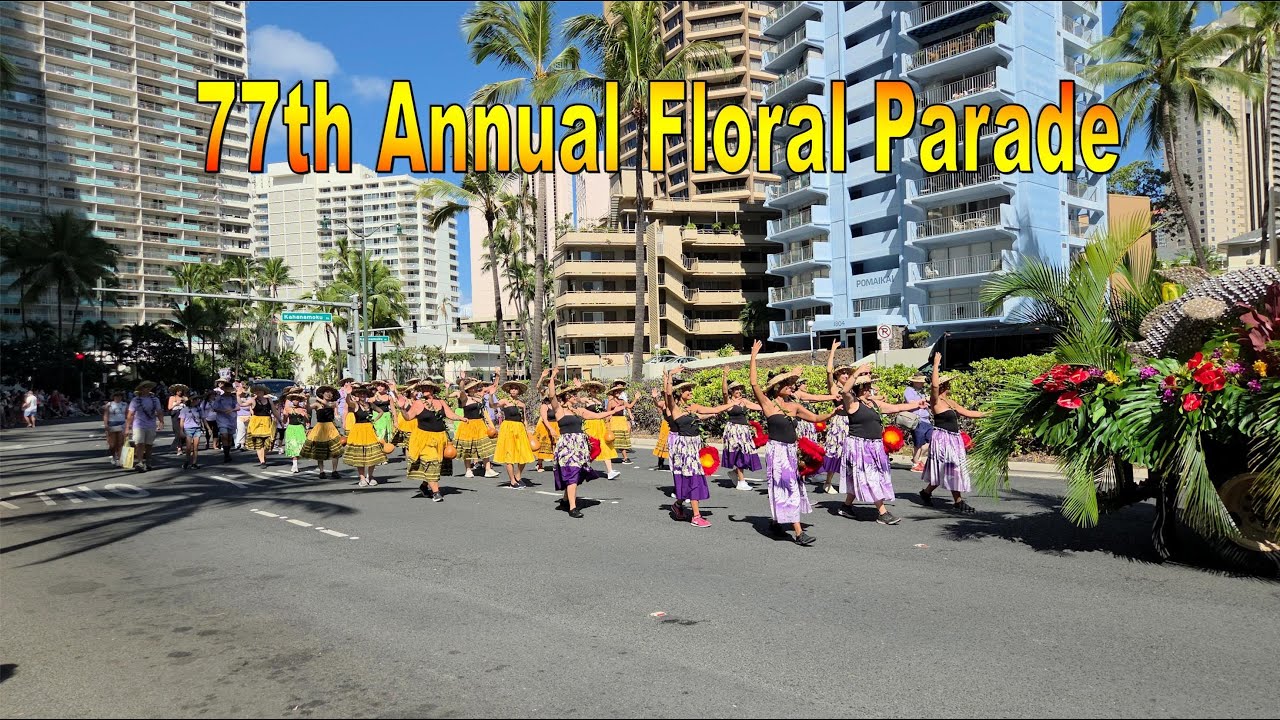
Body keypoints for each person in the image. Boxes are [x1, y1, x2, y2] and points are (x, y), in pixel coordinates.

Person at [749, 341, 836, 546]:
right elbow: (753, 383)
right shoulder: (768, 405)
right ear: (778, 387)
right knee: (787, 487)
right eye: (787, 384)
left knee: (791, 486)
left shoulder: (794, 406)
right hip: (777, 451)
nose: (791, 386)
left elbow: (815, 418)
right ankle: (798, 532)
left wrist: (831, 413)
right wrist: (754, 356)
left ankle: (777, 522)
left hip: (791, 452)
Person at [834, 367, 926, 525]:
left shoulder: (873, 404)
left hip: (874, 447)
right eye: (868, 387)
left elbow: (896, 408)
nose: (870, 389)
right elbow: (845, 390)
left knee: (862, 478)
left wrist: (917, 404)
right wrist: (856, 373)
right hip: (859, 446)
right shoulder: (852, 403)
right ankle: (882, 512)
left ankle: (846, 506)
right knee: (871, 478)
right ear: (861, 389)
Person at [545, 368, 620, 518]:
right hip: (567, 445)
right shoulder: (559, 410)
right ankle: (573, 508)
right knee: (571, 473)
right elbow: (552, 394)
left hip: (579, 446)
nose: (576, 397)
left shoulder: (578, 411)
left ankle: (566, 501)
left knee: (576, 474)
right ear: (566, 396)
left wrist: (613, 411)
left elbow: (596, 415)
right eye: (573, 395)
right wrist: (552, 377)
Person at [664, 367, 733, 528]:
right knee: (693, 479)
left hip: (695, 447)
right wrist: (670, 376)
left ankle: (678, 505)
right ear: (680, 392)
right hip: (684, 449)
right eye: (687, 390)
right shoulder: (674, 408)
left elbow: (714, 410)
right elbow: (668, 394)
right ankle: (696, 516)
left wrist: (730, 405)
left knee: (692, 479)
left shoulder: (693, 408)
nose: (690, 392)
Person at [919, 352, 988, 513]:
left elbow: (968, 412)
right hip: (943, 439)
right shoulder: (935, 401)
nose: (950, 386)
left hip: (953, 439)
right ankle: (958, 501)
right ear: (943, 386)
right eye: (948, 384)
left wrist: (989, 414)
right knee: (952, 468)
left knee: (946, 468)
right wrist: (936, 364)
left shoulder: (950, 402)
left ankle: (926, 492)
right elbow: (934, 386)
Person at [401, 379, 462, 502]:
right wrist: (402, 408)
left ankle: (424, 486)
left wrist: (461, 418)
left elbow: (450, 414)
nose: (425, 390)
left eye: (428, 388)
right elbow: (408, 417)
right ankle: (436, 492)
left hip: (440, 437)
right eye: (423, 388)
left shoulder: (440, 402)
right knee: (431, 462)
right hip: (424, 438)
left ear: (433, 390)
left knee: (435, 465)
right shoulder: (418, 403)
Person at [819, 343, 857, 495]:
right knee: (835, 452)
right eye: (842, 374)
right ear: (837, 376)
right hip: (839, 422)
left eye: (847, 373)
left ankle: (848, 482)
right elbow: (828, 371)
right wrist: (832, 350)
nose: (846, 376)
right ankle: (827, 482)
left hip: (852, 421)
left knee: (850, 453)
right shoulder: (834, 388)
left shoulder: (852, 388)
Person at [719, 369, 763, 490]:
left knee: (745, 454)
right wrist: (724, 376)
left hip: (744, 431)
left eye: (740, 389)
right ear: (731, 391)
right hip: (733, 430)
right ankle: (741, 481)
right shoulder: (728, 401)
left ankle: (736, 474)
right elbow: (723, 392)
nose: (739, 391)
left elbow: (760, 407)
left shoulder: (744, 401)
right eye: (736, 389)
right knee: (738, 454)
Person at [493, 377, 536, 489]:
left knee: (524, 454)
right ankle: (512, 481)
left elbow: (525, 419)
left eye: (516, 389)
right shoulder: (505, 401)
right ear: (509, 390)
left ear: (519, 391)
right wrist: (491, 397)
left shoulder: (522, 404)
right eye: (512, 389)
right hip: (508, 428)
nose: (513, 390)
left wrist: (528, 431)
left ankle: (518, 475)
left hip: (520, 428)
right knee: (509, 454)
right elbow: (493, 406)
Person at [454, 376, 500, 478]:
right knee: (468, 448)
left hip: (479, 424)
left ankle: (488, 469)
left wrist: (489, 424)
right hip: (468, 424)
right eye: (471, 387)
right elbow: (461, 389)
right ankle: (468, 470)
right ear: (468, 389)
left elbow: (484, 411)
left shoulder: (479, 398)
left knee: (484, 446)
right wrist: (462, 381)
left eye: (475, 387)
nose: (474, 389)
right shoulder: (464, 398)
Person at [343, 383, 388, 486]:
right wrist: (348, 394)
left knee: (372, 454)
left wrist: (374, 420)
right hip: (358, 431)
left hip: (369, 430)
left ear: (366, 395)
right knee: (360, 455)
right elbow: (348, 402)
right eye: (360, 394)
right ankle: (362, 478)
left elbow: (381, 411)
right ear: (358, 395)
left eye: (364, 394)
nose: (362, 396)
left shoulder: (370, 404)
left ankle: (371, 476)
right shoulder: (355, 404)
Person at [300, 385, 344, 478]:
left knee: (335, 450)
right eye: (326, 392)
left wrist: (338, 417)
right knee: (319, 451)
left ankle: (334, 471)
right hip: (320, 427)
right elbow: (308, 409)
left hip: (331, 427)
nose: (329, 394)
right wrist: (307, 399)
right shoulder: (317, 404)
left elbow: (330, 407)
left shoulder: (333, 403)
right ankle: (321, 471)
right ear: (322, 394)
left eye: (330, 393)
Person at [579, 380, 621, 480]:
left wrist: (608, 419)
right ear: (588, 389)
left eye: (596, 388)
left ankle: (610, 471)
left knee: (605, 446)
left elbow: (604, 412)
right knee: (591, 447)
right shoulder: (586, 399)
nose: (595, 389)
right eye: (593, 387)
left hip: (600, 424)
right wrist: (579, 387)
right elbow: (576, 399)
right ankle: (583, 467)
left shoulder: (599, 400)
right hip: (590, 424)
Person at [125, 380, 164, 472]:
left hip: (150, 424)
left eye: (149, 387)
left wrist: (161, 421)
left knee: (149, 444)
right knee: (139, 443)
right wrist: (127, 427)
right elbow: (130, 414)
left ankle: (148, 462)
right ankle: (140, 462)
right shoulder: (135, 400)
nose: (147, 389)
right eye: (145, 387)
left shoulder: (155, 400)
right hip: (138, 424)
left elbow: (159, 411)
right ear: (141, 389)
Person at [904, 374, 933, 472]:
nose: (922, 383)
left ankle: (918, 458)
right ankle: (915, 463)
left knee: (932, 439)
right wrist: (924, 400)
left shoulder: (923, 391)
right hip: (916, 419)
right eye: (920, 381)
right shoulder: (909, 390)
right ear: (915, 381)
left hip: (926, 419)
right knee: (918, 443)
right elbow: (911, 403)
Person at [244, 384, 277, 468]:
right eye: (256, 391)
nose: (258, 392)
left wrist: (280, 420)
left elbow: (274, 411)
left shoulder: (269, 400)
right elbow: (242, 404)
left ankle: (263, 456)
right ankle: (262, 462)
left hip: (267, 423)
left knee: (268, 443)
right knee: (259, 443)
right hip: (256, 423)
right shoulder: (253, 400)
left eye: (260, 391)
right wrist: (237, 395)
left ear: (263, 392)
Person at [607, 381, 638, 465]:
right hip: (613, 421)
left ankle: (625, 457)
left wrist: (635, 398)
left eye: (619, 391)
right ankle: (610, 456)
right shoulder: (611, 402)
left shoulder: (622, 401)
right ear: (613, 393)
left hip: (621, 421)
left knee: (622, 440)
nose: (617, 393)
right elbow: (608, 413)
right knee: (613, 439)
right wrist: (607, 423)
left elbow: (630, 406)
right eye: (616, 391)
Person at [281, 389, 311, 473]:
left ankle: (295, 463)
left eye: (297, 399)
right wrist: (284, 417)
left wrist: (305, 416)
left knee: (300, 447)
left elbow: (307, 420)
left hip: (300, 428)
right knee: (293, 446)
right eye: (294, 399)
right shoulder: (288, 409)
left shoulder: (302, 409)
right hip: (291, 428)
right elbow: (284, 420)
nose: (296, 401)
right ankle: (295, 465)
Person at [177, 390, 207, 470]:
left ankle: (194, 463)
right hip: (188, 429)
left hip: (197, 428)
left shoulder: (199, 409)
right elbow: (181, 421)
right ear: (192, 400)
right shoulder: (185, 409)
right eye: (196, 399)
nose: (198, 401)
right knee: (188, 447)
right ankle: (187, 460)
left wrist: (208, 428)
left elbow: (203, 419)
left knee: (196, 447)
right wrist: (181, 430)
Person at [532, 393, 558, 472]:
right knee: (543, 444)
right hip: (545, 426)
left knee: (556, 444)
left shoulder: (557, 405)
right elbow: (544, 419)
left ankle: (556, 463)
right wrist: (550, 429)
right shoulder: (544, 406)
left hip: (556, 425)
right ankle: (539, 464)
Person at [102, 391, 128, 465]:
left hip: (122, 424)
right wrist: (106, 424)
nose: (118, 397)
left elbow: (127, 415)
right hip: (112, 424)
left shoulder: (125, 404)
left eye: (120, 396)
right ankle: (114, 456)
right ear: (113, 397)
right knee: (112, 444)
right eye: (116, 396)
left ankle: (120, 459)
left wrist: (129, 425)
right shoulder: (109, 405)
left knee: (121, 443)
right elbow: (106, 415)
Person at [370, 380, 397, 446]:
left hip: (386, 417)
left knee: (386, 435)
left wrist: (396, 421)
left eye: (382, 386)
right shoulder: (373, 398)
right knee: (379, 433)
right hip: (377, 417)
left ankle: (384, 449)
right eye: (378, 386)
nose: (380, 388)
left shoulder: (389, 397)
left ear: (385, 387)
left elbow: (393, 409)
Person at [651, 388, 671, 471]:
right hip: (666, 424)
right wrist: (654, 398)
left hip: (676, 425)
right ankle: (661, 461)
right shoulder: (664, 403)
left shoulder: (677, 403)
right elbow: (657, 404)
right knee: (664, 442)